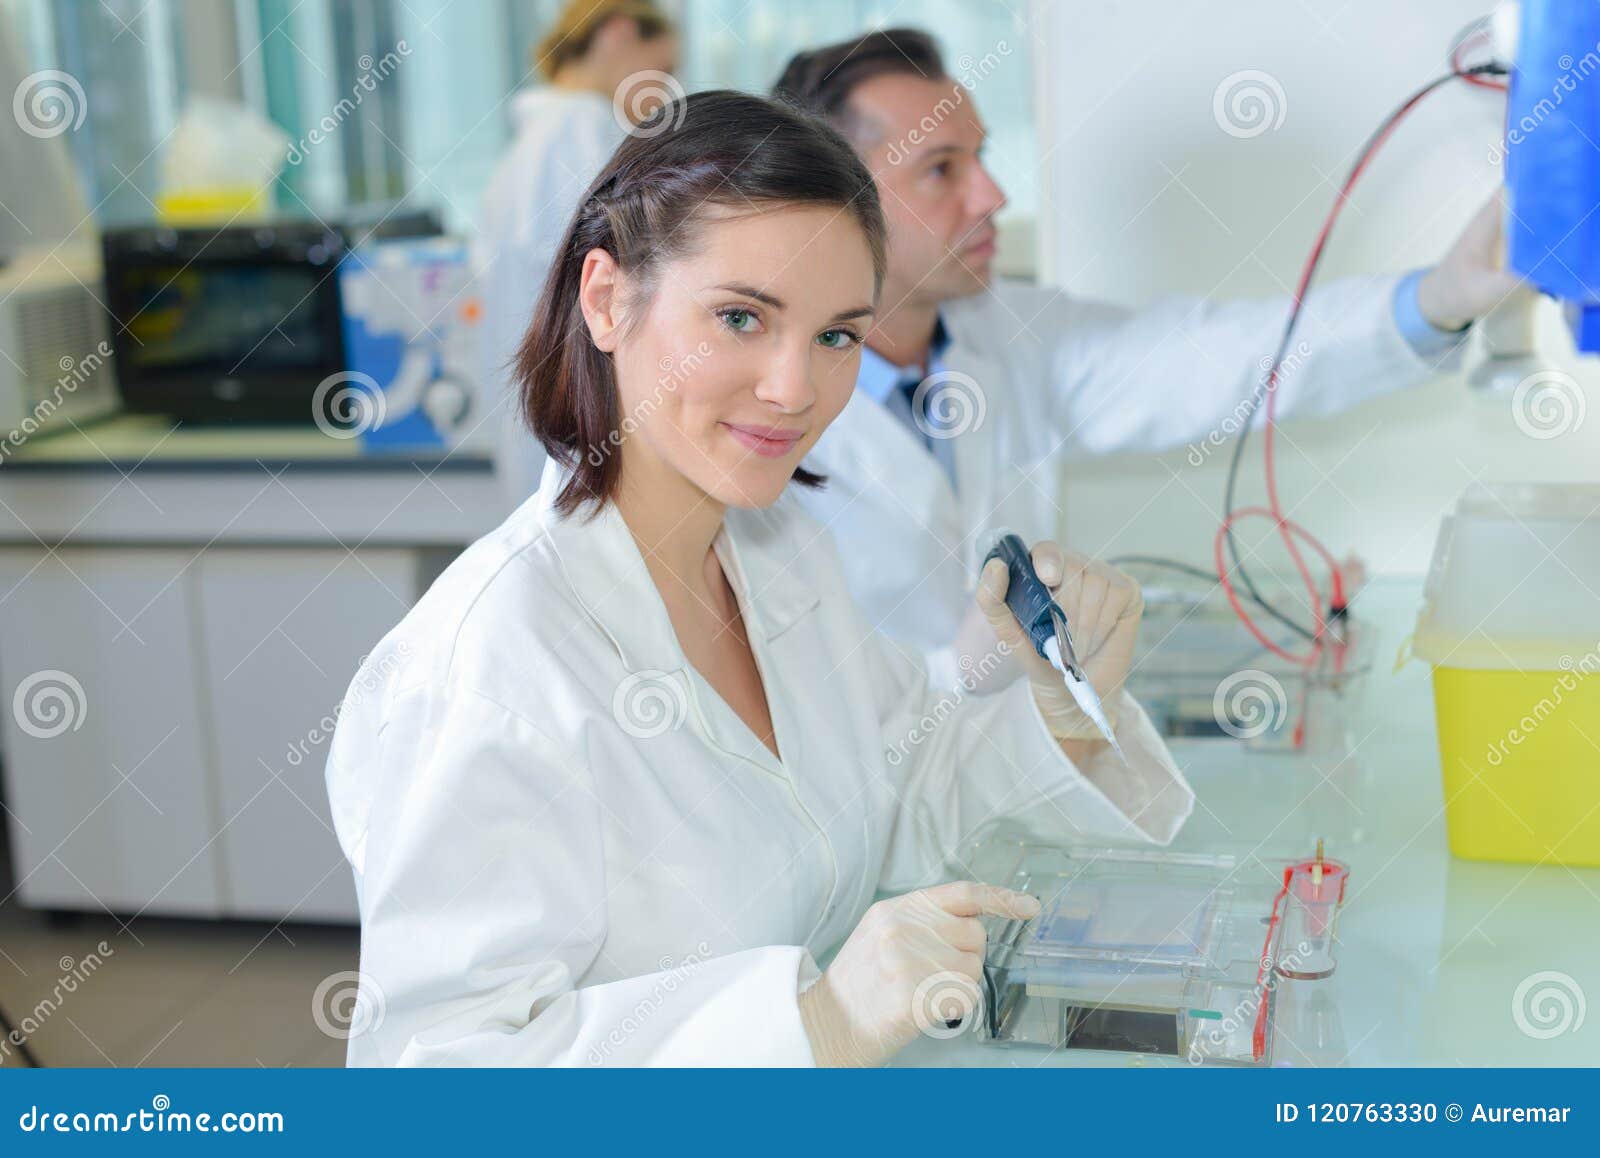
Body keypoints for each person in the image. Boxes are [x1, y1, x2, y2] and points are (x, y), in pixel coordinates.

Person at [326, 91, 1194, 1067]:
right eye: (741, 317)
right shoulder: (488, 667)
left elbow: (904, 796)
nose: (794, 389)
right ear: (607, 300)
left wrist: (1067, 711)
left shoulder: (782, 552)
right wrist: (814, 1025)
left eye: (835, 335)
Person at [772, 29, 1523, 692]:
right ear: (836, 201)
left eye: (983, 157)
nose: (994, 194)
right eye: (942, 169)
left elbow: (1222, 357)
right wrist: (949, 684)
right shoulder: (764, 420)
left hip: (998, 797)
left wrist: (1440, 298)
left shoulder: (1009, 335)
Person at [474, 0, 677, 505]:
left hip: (538, 425)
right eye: (665, 70)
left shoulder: (524, 150)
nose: (664, 94)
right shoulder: (583, 130)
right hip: (585, 423)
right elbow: (633, 272)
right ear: (618, 33)